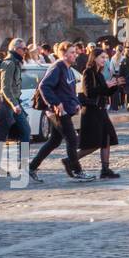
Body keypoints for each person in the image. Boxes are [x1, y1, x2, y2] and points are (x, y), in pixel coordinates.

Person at [30, 41, 94, 182]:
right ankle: (77, 170)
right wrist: (56, 103)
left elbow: (70, 92)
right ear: (63, 54)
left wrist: (76, 103)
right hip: (58, 112)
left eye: (75, 52)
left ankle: (31, 167)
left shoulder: (69, 69)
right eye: (71, 53)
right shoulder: (57, 67)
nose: (75, 55)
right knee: (72, 139)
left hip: (65, 110)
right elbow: (44, 86)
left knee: (54, 141)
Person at [0, 38, 34, 181]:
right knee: (0, 136)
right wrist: (15, 104)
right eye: (23, 48)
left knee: (24, 131)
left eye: (26, 49)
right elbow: (5, 88)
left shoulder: (15, 62)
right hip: (5, 104)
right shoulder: (9, 63)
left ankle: (23, 165)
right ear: (15, 49)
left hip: (12, 103)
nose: (25, 51)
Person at [76, 48, 120, 179]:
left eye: (106, 58)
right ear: (94, 58)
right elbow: (89, 92)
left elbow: (104, 92)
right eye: (102, 57)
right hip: (91, 112)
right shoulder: (88, 72)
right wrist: (106, 86)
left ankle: (105, 169)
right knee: (94, 143)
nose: (105, 60)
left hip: (101, 110)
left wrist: (114, 86)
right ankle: (71, 159)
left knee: (107, 138)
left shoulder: (99, 74)